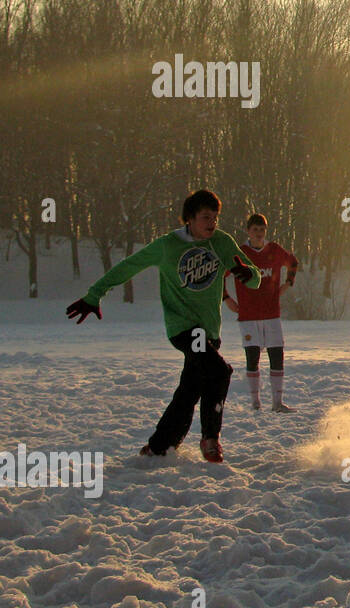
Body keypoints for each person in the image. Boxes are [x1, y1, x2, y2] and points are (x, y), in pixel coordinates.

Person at [65, 190, 260, 462]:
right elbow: (128, 267)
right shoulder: (168, 245)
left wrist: (247, 273)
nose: (212, 223)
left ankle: (159, 447)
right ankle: (210, 439)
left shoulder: (221, 242)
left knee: (190, 390)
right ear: (189, 218)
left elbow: (255, 279)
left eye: (215, 218)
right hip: (183, 327)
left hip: (210, 331)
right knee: (219, 371)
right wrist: (94, 295)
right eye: (206, 217)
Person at [223, 213, 299, 412]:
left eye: (262, 230)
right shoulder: (240, 253)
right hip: (248, 315)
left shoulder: (274, 250)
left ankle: (277, 403)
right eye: (255, 230)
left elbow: (293, 262)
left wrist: (288, 283)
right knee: (252, 357)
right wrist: (227, 299)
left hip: (271, 314)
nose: (259, 234)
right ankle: (255, 403)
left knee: (276, 355)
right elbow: (220, 275)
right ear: (248, 231)